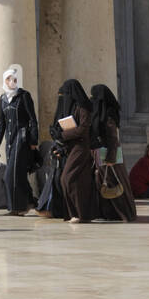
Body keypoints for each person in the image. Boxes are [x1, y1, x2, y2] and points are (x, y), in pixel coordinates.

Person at [0, 65, 39, 215]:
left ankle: (16, 208)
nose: (11, 81)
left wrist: (33, 141)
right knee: (18, 174)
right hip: (10, 141)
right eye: (8, 79)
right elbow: (2, 123)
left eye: (14, 79)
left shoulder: (24, 96)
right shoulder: (3, 99)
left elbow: (33, 120)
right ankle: (31, 201)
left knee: (10, 175)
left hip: (23, 140)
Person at [50, 79, 98, 223]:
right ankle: (79, 214)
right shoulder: (71, 107)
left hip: (81, 147)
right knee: (79, 182)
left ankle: (78, 213)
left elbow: (83, 129)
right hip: (71, 147)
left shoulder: (84, 108)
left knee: (67, 178)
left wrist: (63, 135)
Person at [89, 83, 136, 222]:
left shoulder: (108, 115)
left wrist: (110, 158)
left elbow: (112, 138)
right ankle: (108, 213)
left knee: (114, 183)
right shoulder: (102, 113)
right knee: (103, 183)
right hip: (102, 153)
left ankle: (124, 213)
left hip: (110, 155)